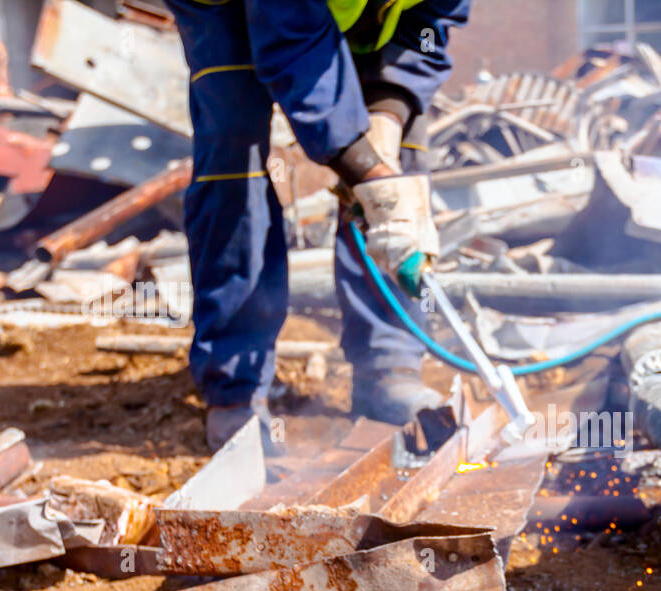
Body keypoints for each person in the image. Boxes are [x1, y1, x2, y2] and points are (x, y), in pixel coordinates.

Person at [162, 0, 472, 451]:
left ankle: (388, 366)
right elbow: (291, 44)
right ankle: (236, 388)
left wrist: (383, 128)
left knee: (397, 152)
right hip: (224, 8)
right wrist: (362, 166)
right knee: (234, 154)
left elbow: (427, 27)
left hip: (356, 15)